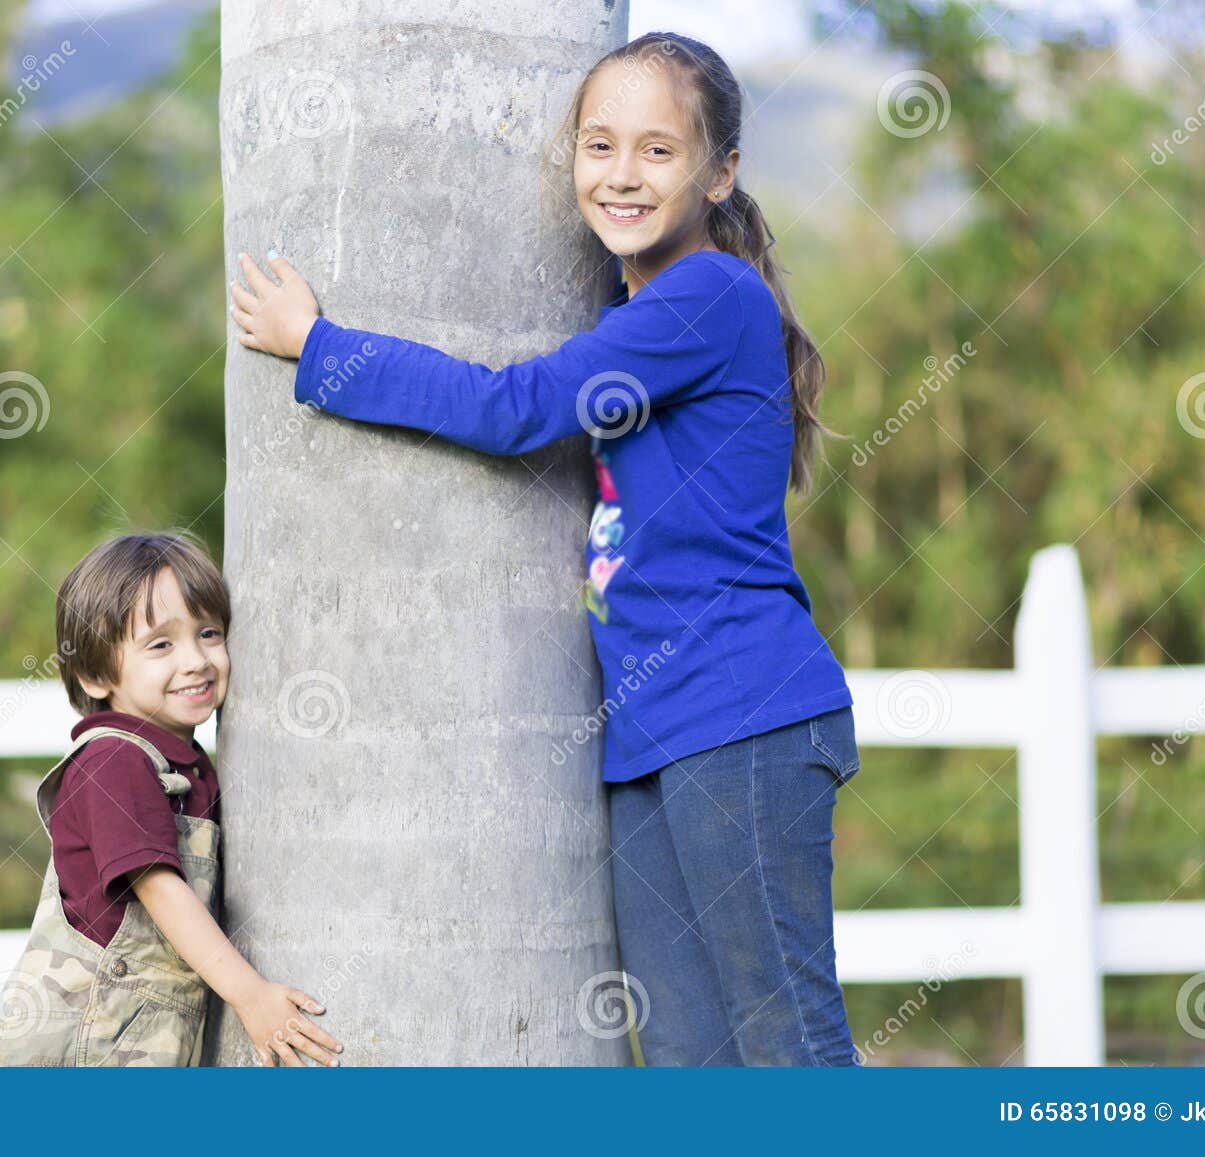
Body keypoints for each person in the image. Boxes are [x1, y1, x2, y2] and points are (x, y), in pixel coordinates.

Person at [227, 32, 862, 1066]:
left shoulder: (706, 297)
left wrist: (322, 345)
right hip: (653, 728)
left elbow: (515, 407)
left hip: (740, 709)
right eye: (598, 144)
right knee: (694, 1058)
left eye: (658, 151)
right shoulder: (638, 308)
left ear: (720, 171)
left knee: (783, 1039)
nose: (620, 173)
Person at [0, 530, 343, 1067]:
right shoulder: (114, 762)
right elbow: (162, 890)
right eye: (161, 645)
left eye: (210, 633)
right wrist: (251, 996)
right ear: (97, 674)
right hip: (87, 1051)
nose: (196, 660)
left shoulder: (186, 764)